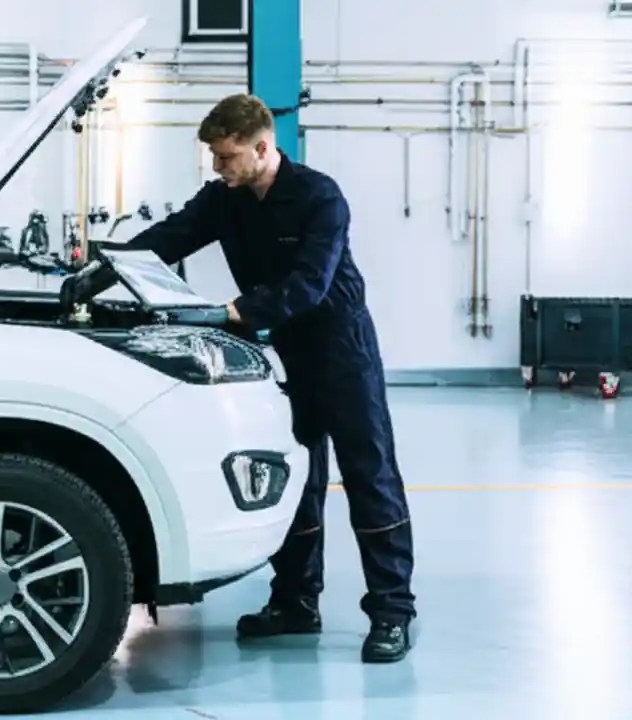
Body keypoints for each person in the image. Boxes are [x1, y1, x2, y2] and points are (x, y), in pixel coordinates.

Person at [64, 93, 416, 663]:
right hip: (288, 352)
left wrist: (232, 312)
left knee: (370, 476)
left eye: (226, 157)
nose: (217, 167)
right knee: (300, 478)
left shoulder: (320, 197)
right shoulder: (224, 199)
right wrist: (100, 271)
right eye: (214, 157)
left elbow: (310, 286)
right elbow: (170, 238)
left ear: (261, 148)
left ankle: (393, 612)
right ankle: (296, 604)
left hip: (342, 351)